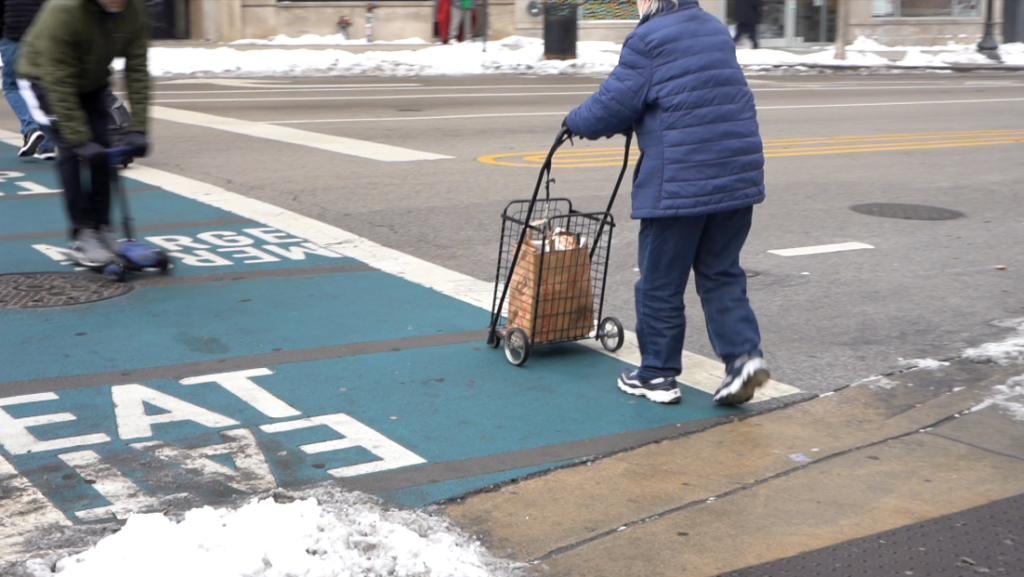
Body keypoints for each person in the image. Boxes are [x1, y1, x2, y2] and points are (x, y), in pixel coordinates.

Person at [563, 0, 769, 406]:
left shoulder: (649, 38)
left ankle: (656, 374)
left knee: (660, 281)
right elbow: (684, 94)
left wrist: (574, 122)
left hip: (681, 182)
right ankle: (743, 358)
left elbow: (613, 103)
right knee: (721, 272)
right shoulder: (713, 28)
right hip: (736, 175)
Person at [16, 0, 150, 267]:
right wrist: (78, 138)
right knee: (72, 149)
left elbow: (137, 69)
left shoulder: (131, 10)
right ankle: (82, 234)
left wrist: (138, 129)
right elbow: (58, 78)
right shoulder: (64, 9)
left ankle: (102, 226)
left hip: (92, 80)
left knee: (103, 148)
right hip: (43, 78)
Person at [0, 0, 55, 159]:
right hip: (42, 38)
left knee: (12, 86)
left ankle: (31, 128)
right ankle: (48, 146)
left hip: (13, 37)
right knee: (42, 87)